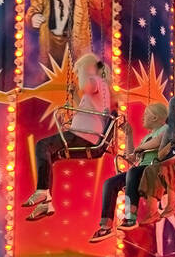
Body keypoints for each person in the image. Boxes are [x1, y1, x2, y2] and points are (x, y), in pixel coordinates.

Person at [24, 53, 115, 221]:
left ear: (88, 70)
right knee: (49, 155)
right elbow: (88, 103)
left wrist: (83, 71)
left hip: (84, 134)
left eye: (78, 71)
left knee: (42, 146)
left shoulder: (96, 82)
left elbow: (86, 85)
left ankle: (42, 191)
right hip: (85, 134)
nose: (77, 75)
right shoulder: (99, 87)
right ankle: (47, 203)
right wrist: (73, 96)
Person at [91, 100, 169, 241]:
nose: (143, 118)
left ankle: (130, 217)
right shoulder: (147, 137)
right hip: (140, 170)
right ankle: (106, 226)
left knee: (133, 172)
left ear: (155, 118)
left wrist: (140, 148)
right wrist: (129, 135)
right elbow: (132, 158)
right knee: (110, 183)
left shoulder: (166, 129)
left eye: (146, 114)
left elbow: (159, 141)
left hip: (155, 169)